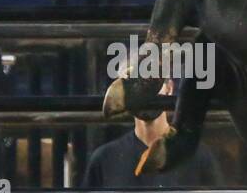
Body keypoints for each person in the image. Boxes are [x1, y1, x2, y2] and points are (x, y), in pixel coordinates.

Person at [82, 79, 221, 187]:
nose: (144, 92)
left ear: (169, 88)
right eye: (131, 83)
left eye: (152, 81)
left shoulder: (198, 156)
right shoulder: (103, 160)